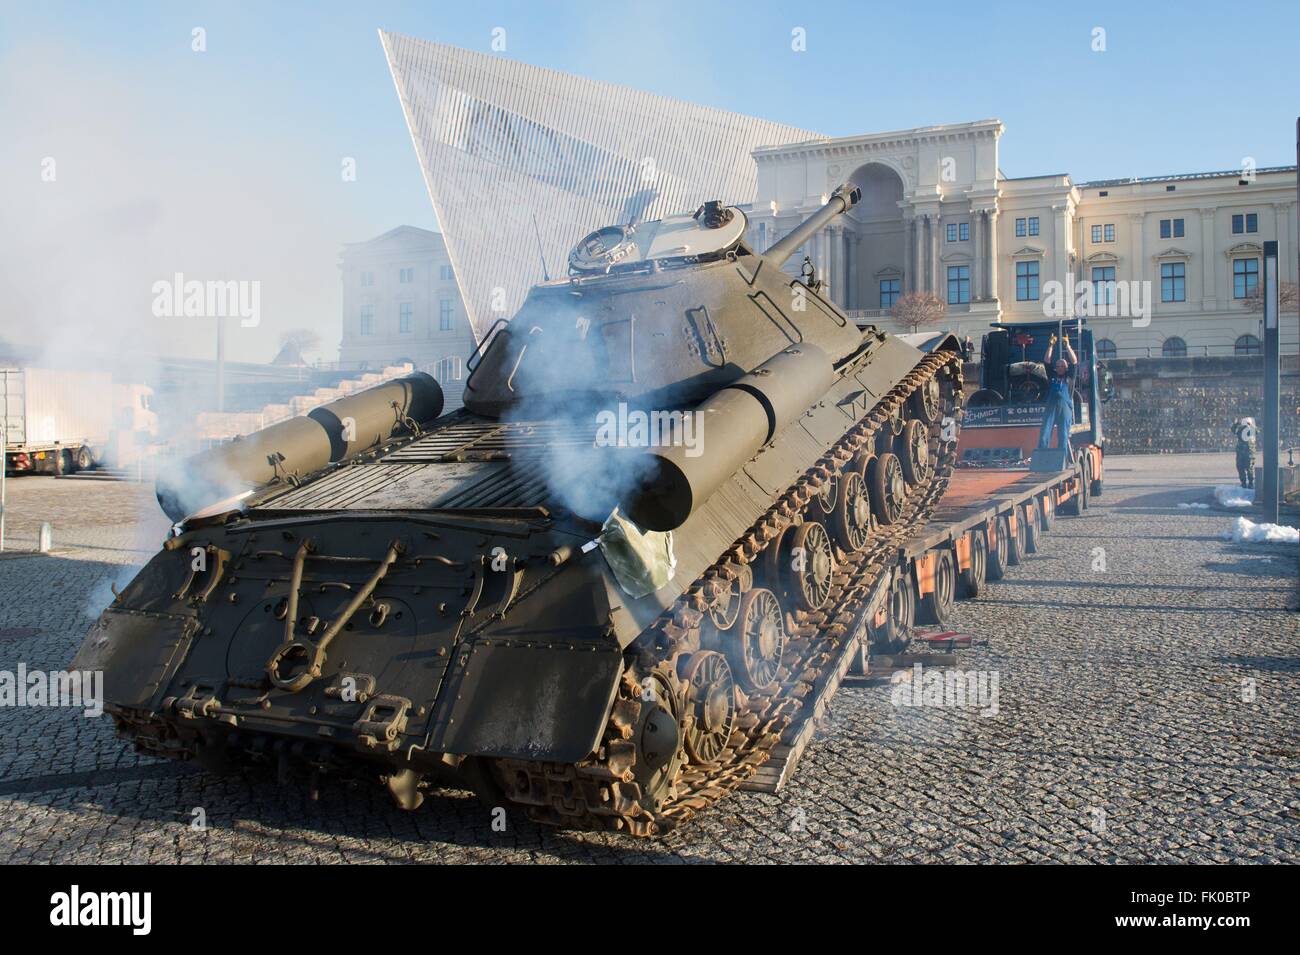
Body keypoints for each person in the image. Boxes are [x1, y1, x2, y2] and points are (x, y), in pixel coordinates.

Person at [1037, 333, 1077, 463]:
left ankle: (1062, 460)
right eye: (1058, 366)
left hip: (1065, 409)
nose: (1060, 368)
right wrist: (1051, 345)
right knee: (1045, 432)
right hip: (1051, 407)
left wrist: (1068, 346)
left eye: (1062, 366)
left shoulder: (1069, 377)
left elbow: (1074, 361)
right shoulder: (1052, 375)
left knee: (1063, 435)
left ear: (1066, 368)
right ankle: (1042, 458)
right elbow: (1047, 360)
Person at [1231, 417, 1257, 489]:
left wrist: (1250, 425)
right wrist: (1236, 423)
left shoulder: (1251, 429)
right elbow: (1233, 430)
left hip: (1249, 453)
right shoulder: (1241, 429)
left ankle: (1251, 483)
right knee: (1240, 467)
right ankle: (1243, 483)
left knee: (1249, 468)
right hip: (1240, 452)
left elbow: (1256, 431)